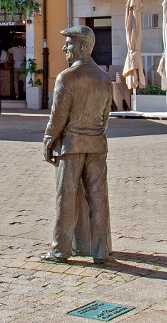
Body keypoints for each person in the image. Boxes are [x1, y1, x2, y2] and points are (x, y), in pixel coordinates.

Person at [43, 26, 114, 263]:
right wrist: (94, 135)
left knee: (66, 199)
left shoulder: (67, 77)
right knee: (98, 199)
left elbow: (58, 117)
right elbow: (105, 117)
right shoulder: (104, 78)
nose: (64, 48)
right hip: (97, 145)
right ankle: (100, 251)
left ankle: (60, 250)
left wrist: (48, 140)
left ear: (82, 47)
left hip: (71, 146)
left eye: (69, 43)